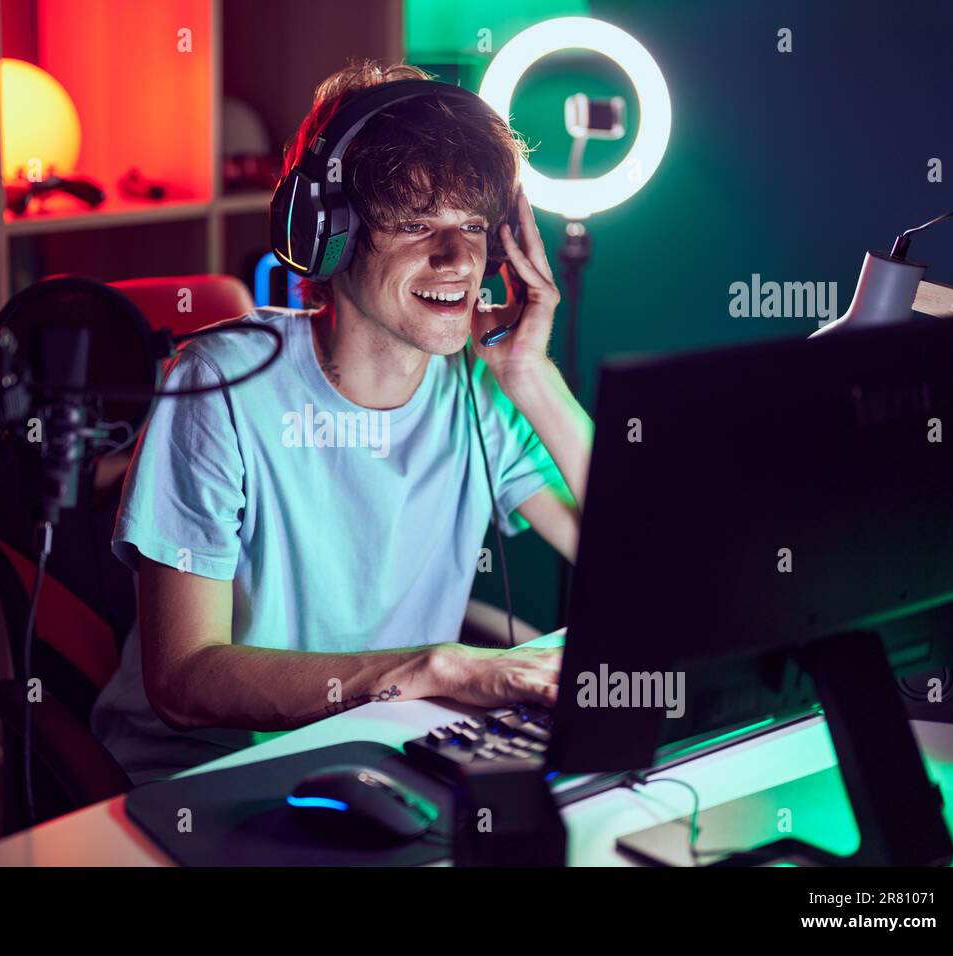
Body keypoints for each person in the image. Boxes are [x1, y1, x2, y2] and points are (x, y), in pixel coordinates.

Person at [91, 61, 594, 785]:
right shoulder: (220, 386)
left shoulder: (485, 390)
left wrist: (532, 377)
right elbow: (182, 679)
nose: (458, 260)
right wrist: (437, 667)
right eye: (418, 224)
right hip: (208, 779)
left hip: (383, 756)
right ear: (323, 234)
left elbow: (636, 553)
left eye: (474, 226)